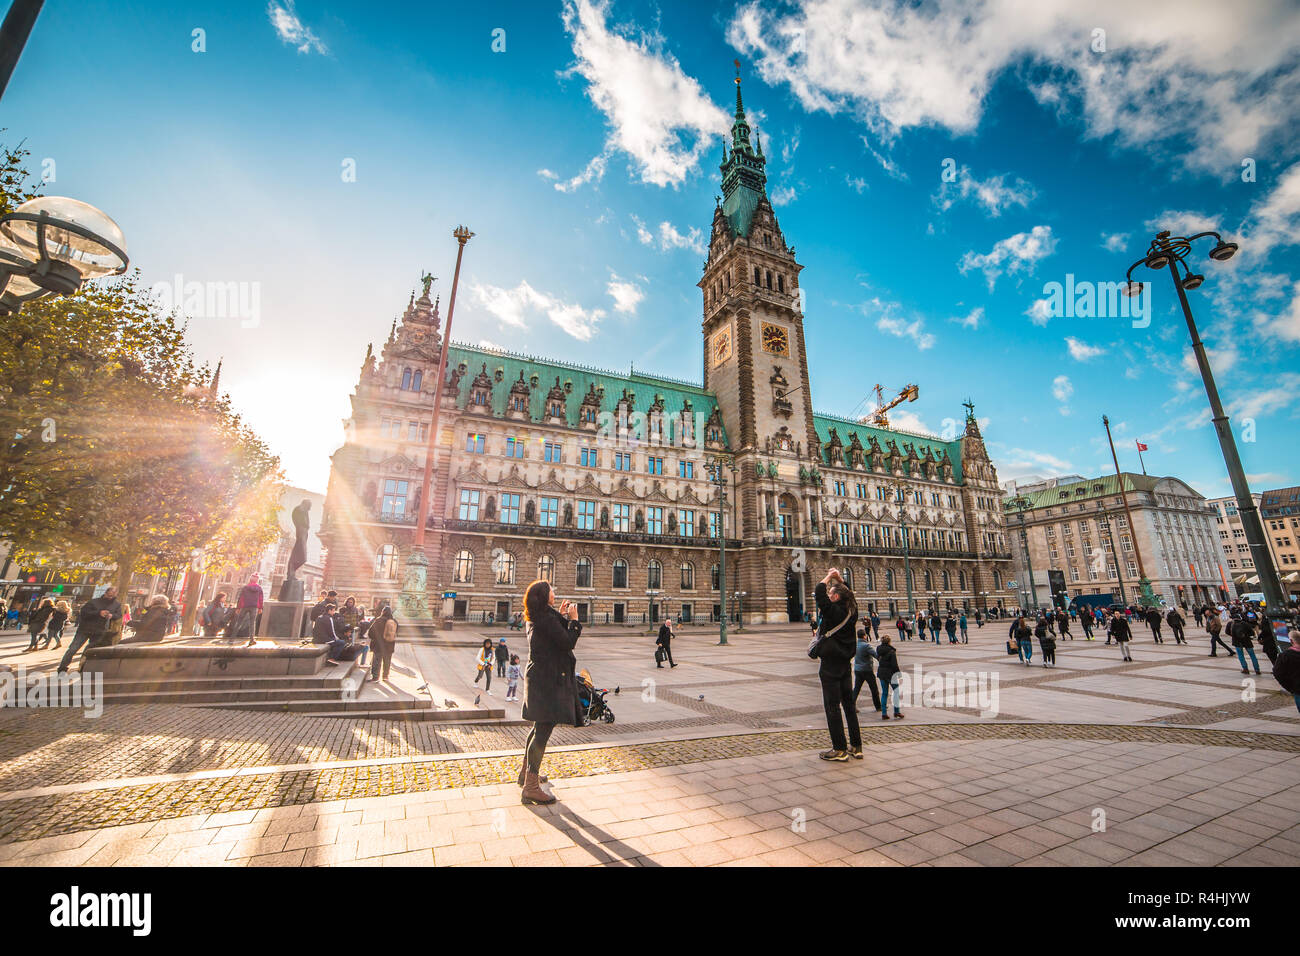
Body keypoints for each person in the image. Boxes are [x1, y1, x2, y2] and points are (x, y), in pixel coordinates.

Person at [520, 579, 583, 805]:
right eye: (551, 590)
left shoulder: (539, 616)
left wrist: (561, 615)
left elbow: (553, 635)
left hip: (539, 679)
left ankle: (526, 774)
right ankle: (531, 787)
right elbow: (566, 642)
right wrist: (574, 621)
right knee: (542, 732)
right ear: (544, 596)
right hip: (547, 682)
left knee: (538, 727)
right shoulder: (545, 618)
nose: (554, 592)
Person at [808, 568, 861, 761]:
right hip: (845, 663)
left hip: (830, 665)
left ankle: (839, 749)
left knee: (832, 706)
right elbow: (850, 594)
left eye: (831, 593)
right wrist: (840, 579)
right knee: (848, 704)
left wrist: (829, 577)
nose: (828, 595)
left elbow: (819, 591)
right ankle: (856, 746)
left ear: (836, 597)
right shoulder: (852, 611)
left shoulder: (832, 611)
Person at [57, 587, 122, 673]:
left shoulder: (116, 605)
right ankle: (62, 667)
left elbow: (118, 615)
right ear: (106, 593)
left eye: (113, 595)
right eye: (110, 594)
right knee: (73, 649)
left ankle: (82, 667)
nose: (111, 596)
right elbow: (84, 612)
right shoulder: (94, 601)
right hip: (85, 629)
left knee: (89, 651)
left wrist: (112, 616)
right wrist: (98, 613)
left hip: (100, 631)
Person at [852, 626, 881, 714]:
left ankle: (851, 705)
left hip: (858, 669)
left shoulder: (855, 645)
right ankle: (878, 706)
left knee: (856, 689)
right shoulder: (866, 646)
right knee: (874, 689)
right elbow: (876, 655)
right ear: (864, 636)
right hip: (867, 670)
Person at [1273, 629, 1300, 715]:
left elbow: (1277, 673)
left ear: (1291, 641)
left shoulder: (1285, 655)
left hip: (1297, 689)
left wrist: (1290, 687)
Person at [877, 634, 902, 720]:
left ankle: (884, 713)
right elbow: (894, 665)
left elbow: (878, 659)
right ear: (889, 642)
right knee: (896, 692)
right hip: (890, 674)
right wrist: (898, 674)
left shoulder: (879, 649)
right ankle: (896, 711)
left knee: (884, 693)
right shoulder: (891, 651)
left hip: (881, 673)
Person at [1228, 611, 1261, 676]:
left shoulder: (1230, 624)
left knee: (1241, 656)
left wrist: (1233, 636)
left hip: (1237, 642)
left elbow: (1227, 632)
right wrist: (1246, 635)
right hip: (1247, 641)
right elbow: (1252, 633)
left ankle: (1245, 669)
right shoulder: (1245, 623)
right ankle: (1257, 670)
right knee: (1252, 655)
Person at [369, 606, 397, 682]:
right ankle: (385, 676)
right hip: (389, 645)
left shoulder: (379, 620)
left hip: (378, 645)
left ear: (383, 612)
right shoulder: (394, 621)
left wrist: (374, 638)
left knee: (377, 661)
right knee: (387, 661)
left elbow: (371, 632)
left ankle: (375, 677)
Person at [232, 574, 264, 639]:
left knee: (239, 622)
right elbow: (261, 599)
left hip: (244, 606)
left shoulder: (245, 587)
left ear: (250, 579)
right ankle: (252, 639)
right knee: (252, 623)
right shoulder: (259, 588)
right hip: (254, 607)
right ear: (257, 580)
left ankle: (232, 639)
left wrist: (238, 608)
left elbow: (241, 598)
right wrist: (260, 608)